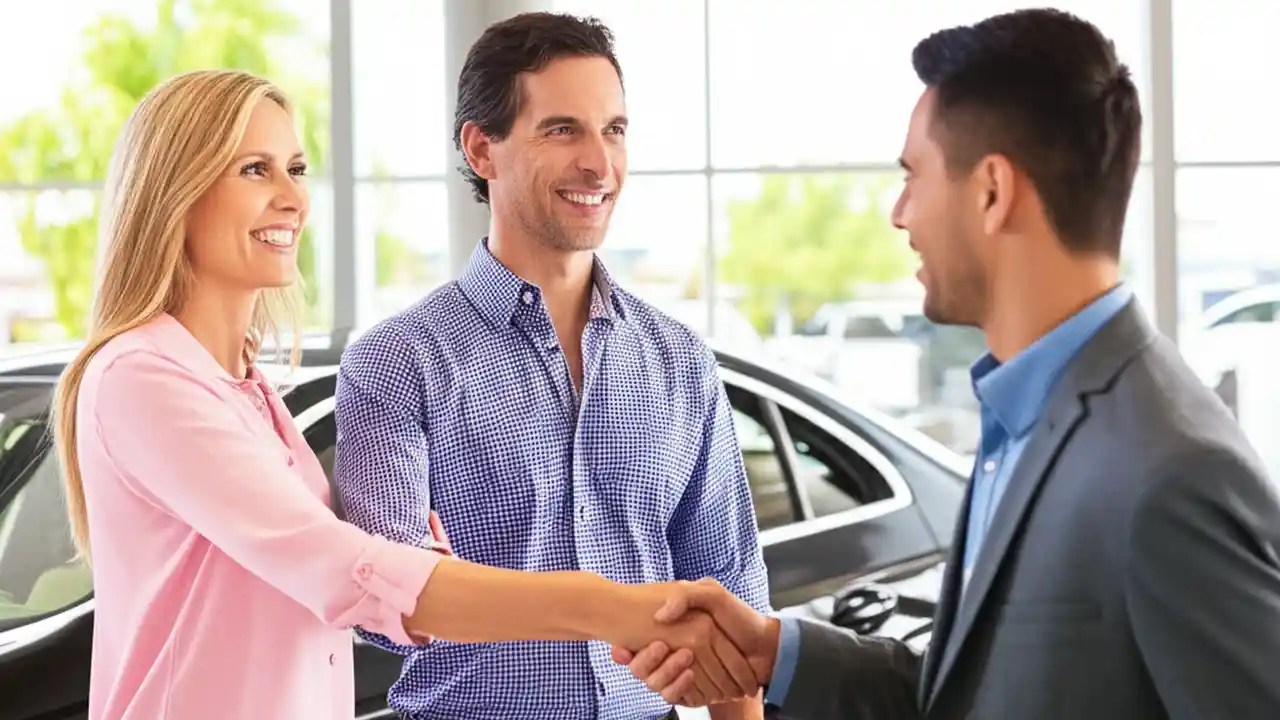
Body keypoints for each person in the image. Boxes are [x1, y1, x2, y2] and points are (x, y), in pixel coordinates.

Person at [614, 8, 1280, 719]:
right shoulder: (1026, 422)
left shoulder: (1171, 474)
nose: (901, 214)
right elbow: (966, 696)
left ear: (992, 191)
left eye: (914, 176)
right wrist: (777, 653)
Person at [51, 69, 758, 720]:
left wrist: (427, 576)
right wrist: (608, 605)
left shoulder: (244, 387)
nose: (292, 197)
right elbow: (345, 571)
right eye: (253, 170)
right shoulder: (143, 379)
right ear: (175, 190)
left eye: (296, 169)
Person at [333, 11, 770, 720]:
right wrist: (600, 609)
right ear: (482, 149)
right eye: (563, 129)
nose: (600, 163)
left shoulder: (681, 361)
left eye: (615, 130)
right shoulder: (396, 363)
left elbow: (730, 596)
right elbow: (389, 602)